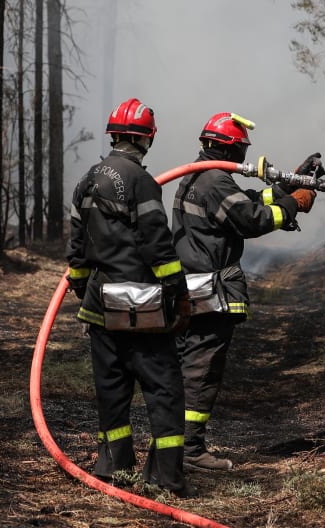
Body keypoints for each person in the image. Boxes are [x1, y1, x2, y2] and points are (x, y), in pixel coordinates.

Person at [171, 111, 322, 472]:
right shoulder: (215, 182)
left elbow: (245, 202)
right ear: (230, 148)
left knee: (187, 366)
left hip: (190, 289)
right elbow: (251, 219)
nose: (242, 158)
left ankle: (175, 445)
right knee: (200, 370)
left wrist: (287, 186)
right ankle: (189, 452)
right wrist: (293, 204)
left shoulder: (198, 176)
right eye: (241, 150)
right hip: (209, 292)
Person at [65, 98, 193, 497]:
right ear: (147, 140)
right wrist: (179, 295)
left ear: (114, 135)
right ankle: (167, 478)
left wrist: (87, 291)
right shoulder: (141, 182)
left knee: (112, 390)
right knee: (164, 389)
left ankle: (113, 468)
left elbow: (77, 251)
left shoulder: (87, 180)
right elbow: (158, 246)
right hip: (143, 310)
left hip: (101, 308)